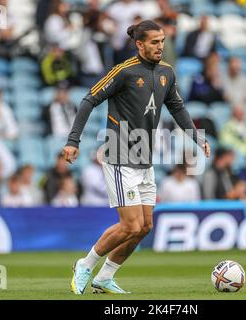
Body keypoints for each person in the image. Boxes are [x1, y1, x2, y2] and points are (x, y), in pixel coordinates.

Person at [62, 20, 210, 295]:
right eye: (154, 42)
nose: (160, 47)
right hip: (119, 156)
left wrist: (196, 136)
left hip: (145, 159)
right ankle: (85, 264)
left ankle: (104, 277)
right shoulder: (123, 72)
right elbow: (88, 99)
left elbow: (177, 107)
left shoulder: (167, 72)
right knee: (130, 224)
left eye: (163, 41)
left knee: (144, 227)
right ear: (139, 44)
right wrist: (73, 141)